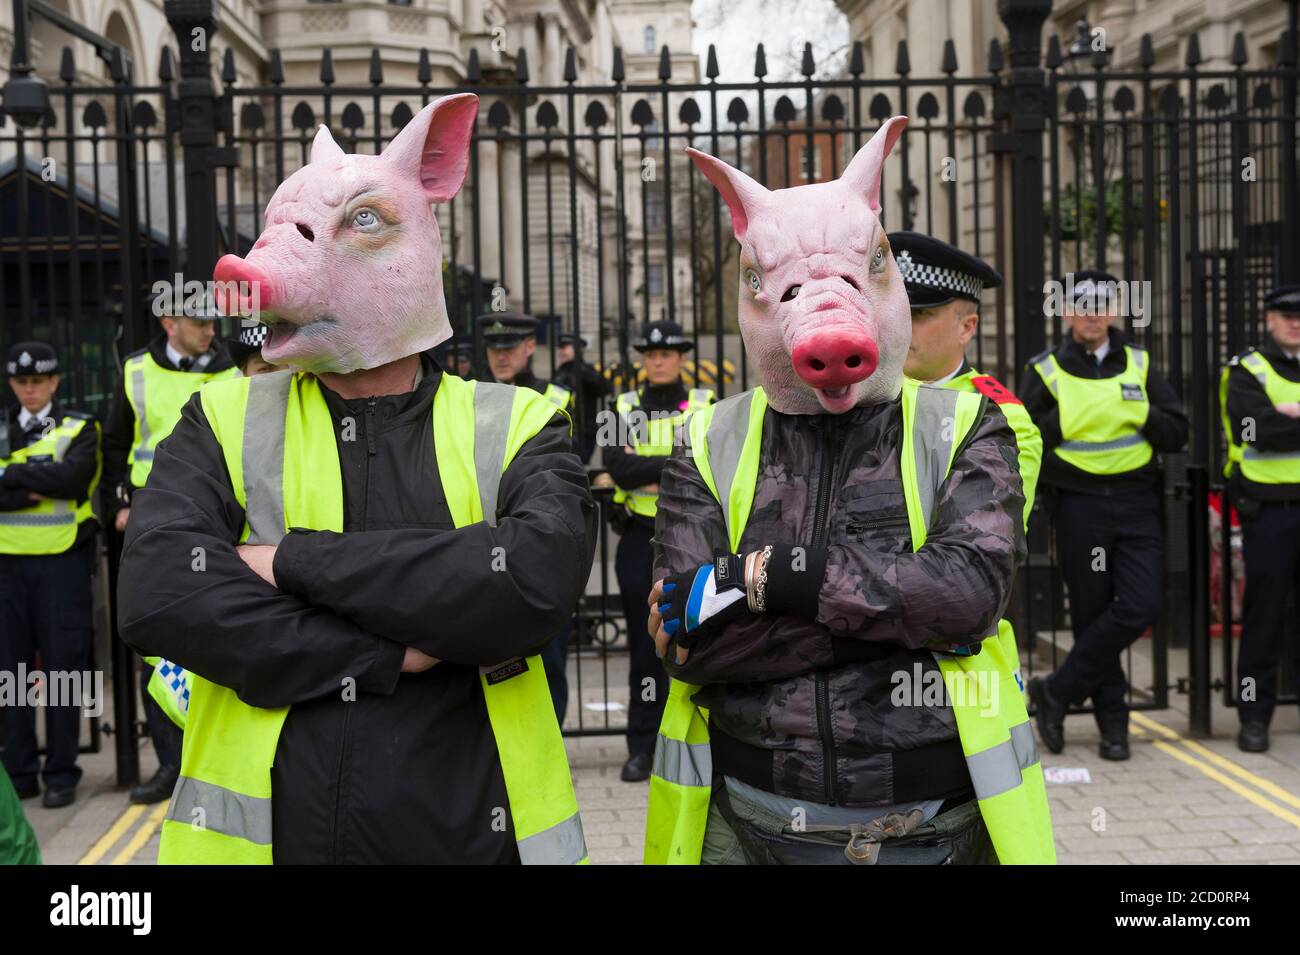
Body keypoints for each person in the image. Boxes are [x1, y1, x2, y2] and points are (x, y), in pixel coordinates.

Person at [119, 94, 595, 864]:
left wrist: (285, 561)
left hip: (473, 834)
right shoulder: (222, 414)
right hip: (274, 842)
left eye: (363, 221)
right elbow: (160, 592)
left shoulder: (517, 422)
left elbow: (529, 586)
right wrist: (386, 654)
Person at [644, 119, 1054, 865]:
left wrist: (765, 577)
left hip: (934, 823)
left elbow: (967, 597)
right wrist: (905, 617)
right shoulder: (709, 439)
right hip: (750, 819)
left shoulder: (964, 422)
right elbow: (685, 639)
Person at [1021, 269, 1188, 761]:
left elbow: (1177, 432)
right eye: (1081, 303)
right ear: (1067, 311)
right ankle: (1113, 726)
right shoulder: (1047, 368)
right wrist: (1064, 425)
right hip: (1079, 508)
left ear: (1115, 309)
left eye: (1101, 302)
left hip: (1137, 504)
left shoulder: (1139, 363)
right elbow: (1025, 440)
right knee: (1094, 611)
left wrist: (1138, 413)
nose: (1092, 312)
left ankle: (1057, 690)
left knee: (1138, 607)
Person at [102, 291, 238, 805]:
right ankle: (169, 764)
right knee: (154, 646)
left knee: (216, 634)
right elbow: (115, 444)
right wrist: (119, 502)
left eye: (212, 322)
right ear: (168, 321)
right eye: (198, 322)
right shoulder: (136, 370)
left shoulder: (233, 368)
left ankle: (215, 758)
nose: (209, 331)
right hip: (151, 522)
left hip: (217, 521)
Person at [603, 320, 713, 782]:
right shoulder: (621, 406)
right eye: (650, 354)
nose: (659, 360)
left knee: (696, 642)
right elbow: (616, 466)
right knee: (643, 649)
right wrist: (673, 460)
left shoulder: (706, 403)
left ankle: (699, 744)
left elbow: (705, 457)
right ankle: (641, 747)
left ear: (683, 357)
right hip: (637, 539)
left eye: (667, 353)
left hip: (691, 538)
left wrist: (647, 468)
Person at [0, 342, 101, 809]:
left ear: (55, 381)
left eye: (38, 381)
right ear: (11, 384)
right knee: (11, 672)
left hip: (62, 563)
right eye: (21, 382)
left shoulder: (80, 426)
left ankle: (61, 772)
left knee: (63, 670)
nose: (30, 389)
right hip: (7, 567)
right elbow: (53, 482)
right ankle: (20, 772)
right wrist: (36, 483)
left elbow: (74, 481)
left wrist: (13, 479)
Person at [480, 311, 578, 722]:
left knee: (548, 653)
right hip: (486, 540)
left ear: (530, 347)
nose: (500, 357)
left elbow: (573, 465)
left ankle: (551, 735)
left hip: (540, 541)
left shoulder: (557, 396)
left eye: (510, 348)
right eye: (493, 349)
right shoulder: (474, 397)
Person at [1220, 283, 1300, 752]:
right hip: (1270, 510)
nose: (1294, 322)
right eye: (1285, 315)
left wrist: (1291, 414)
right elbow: (1259, 432)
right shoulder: (1246, 368)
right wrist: (1277, 419)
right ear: (1269, 319)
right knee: (1264, 617)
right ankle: (1254, 717)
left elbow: (1279, 426)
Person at [554, 332, 610, 463]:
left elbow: (606, 388)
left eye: (565, 347)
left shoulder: (586, 369)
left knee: (578, 465)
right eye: (560, 348)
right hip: (564, 428)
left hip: (584, 430)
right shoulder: (561, 370)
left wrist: (582, 373)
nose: (561, 351)